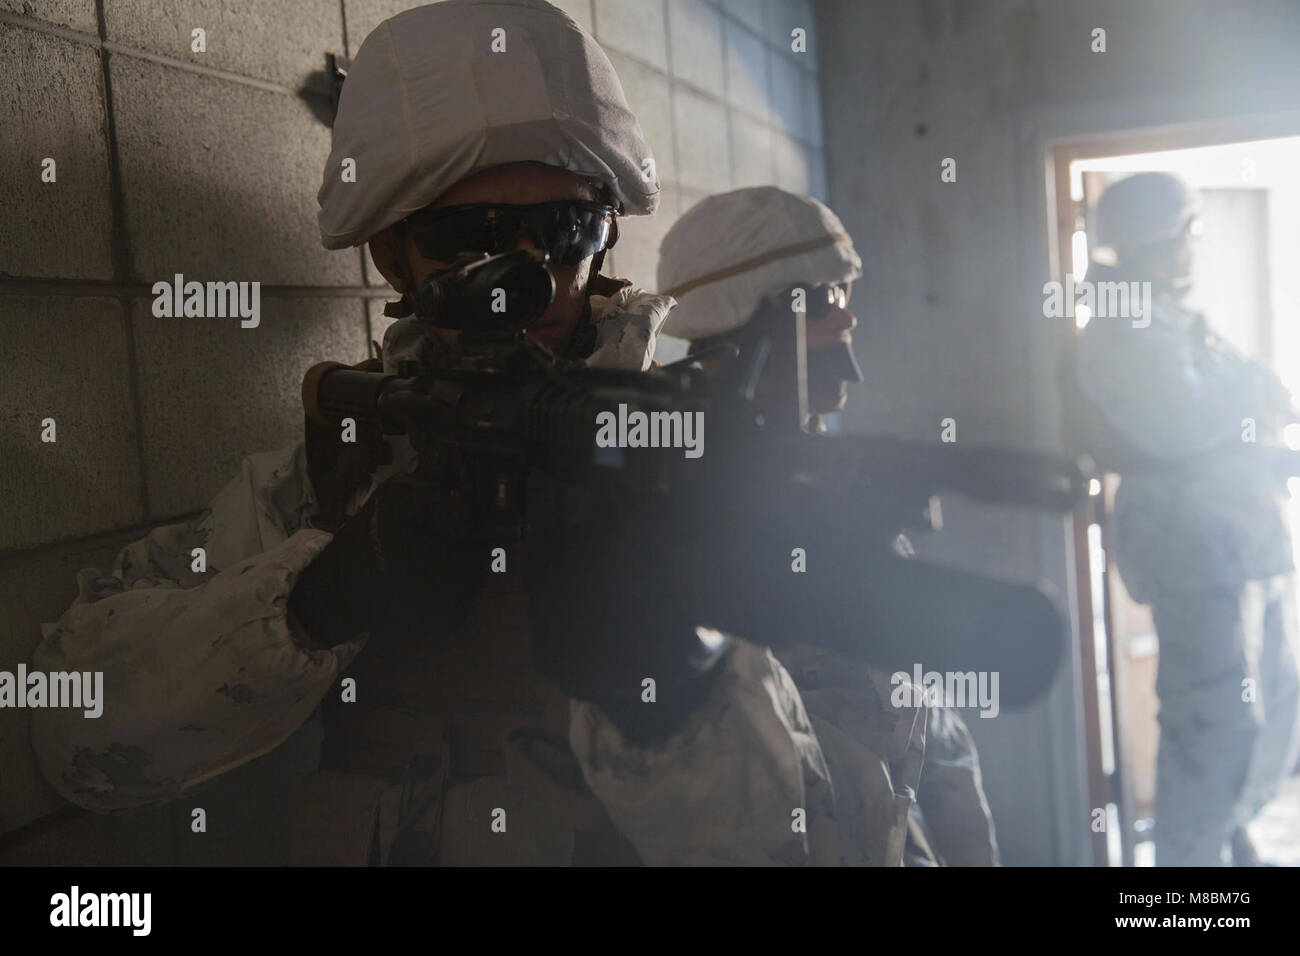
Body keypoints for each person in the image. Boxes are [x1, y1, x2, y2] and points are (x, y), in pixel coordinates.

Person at [27, 0, 912, 866]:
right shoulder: (337, 475)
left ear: (603, 239)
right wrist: (315, 597)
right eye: (468, 235)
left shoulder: (704, 461)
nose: (523, 277)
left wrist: (680, 688)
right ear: (389, 254)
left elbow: (861, 835)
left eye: (564, 229)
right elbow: (76, 741)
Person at [657, 185, 1000, 866]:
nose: (845, 327)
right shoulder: (676, 500)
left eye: (843, 300)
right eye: (823, 302)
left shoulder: (833, 485)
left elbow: (933, 729)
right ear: (754, 321)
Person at [1073, 171, 1300, 865]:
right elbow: (1180, 423)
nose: (1193, 248)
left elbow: (1271, 397)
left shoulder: (1173, 320)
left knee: (1275, 715)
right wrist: (1246, 407)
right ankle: (1185, 891)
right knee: (1212, 728)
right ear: (1152, 242)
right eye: (1186, 233)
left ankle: (1223, 835)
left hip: (1242, 544)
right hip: (1195, 551)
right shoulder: (1121, 326)